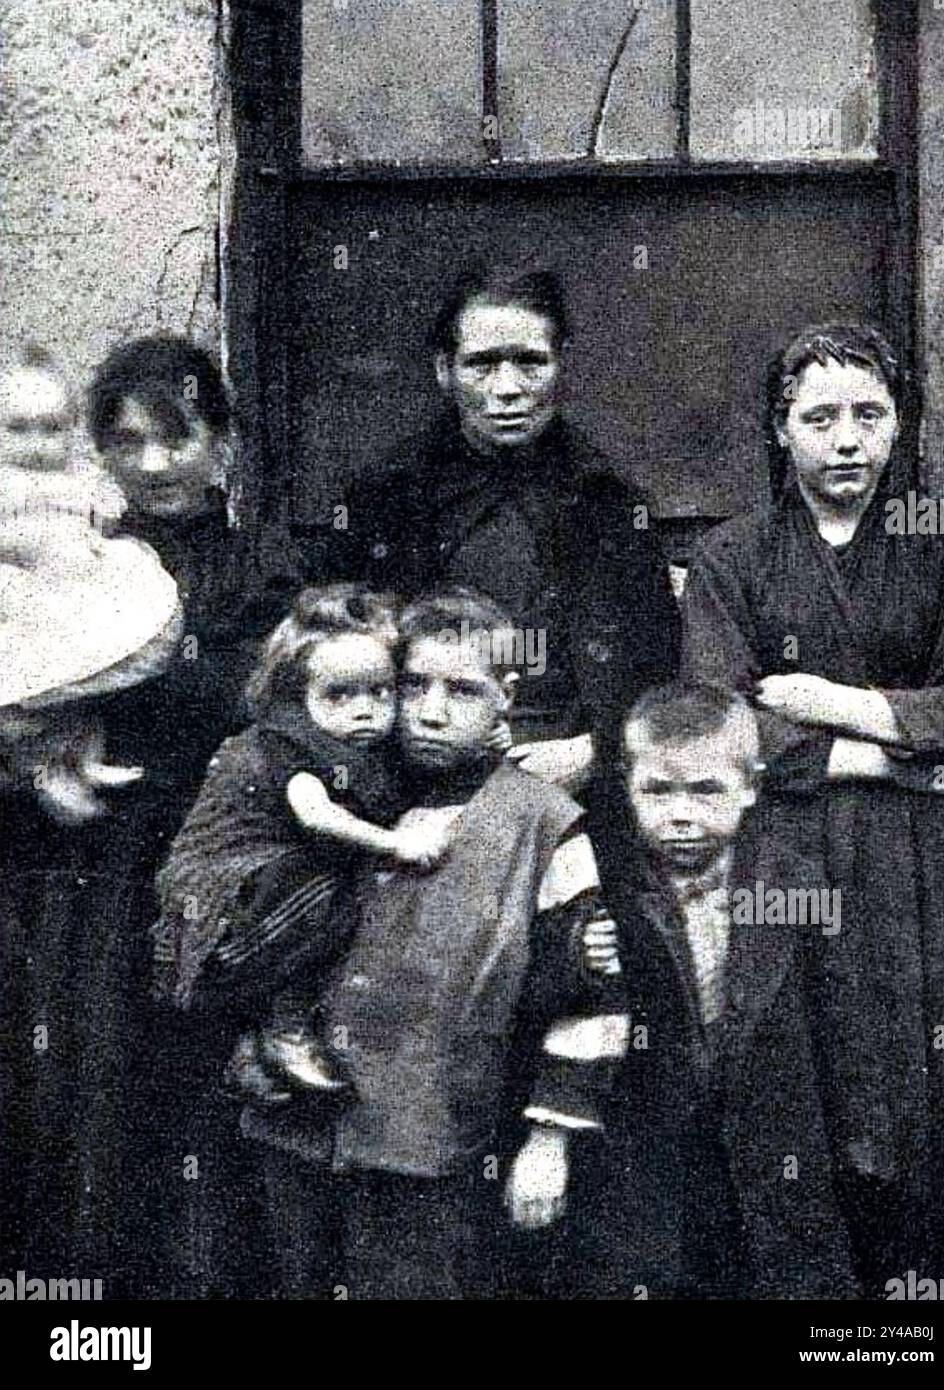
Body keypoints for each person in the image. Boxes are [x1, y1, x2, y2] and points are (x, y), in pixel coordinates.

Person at [164, 588, 627, 1299]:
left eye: (464, 690)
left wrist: (552, 1140)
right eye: (414, 685)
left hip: (429, 1146)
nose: (433, 710)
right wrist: (252, 1038)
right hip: (292, 1131)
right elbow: (246, 936)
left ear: (506, 698)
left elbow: (593, 993)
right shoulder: (334, 793)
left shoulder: (543, 822)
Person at [679, 323, 944, 1294]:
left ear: (899, 424)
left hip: (914, 860)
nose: (846, 439)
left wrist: (832, 702)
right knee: (786, 1073)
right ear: (780, 432)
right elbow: (722, 714)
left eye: (869, 414)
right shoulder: (733, 557)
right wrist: (879, 753)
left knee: (921, 1087)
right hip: (787, 853)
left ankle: (911, 1317)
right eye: (819, 418)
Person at [0, 334, 278, 1297]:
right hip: (82, 885)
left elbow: (260, 717)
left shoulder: (265, 578)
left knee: (194, 1119)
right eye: (126, 443)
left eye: (179, 438)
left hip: (209, 877)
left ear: (225, 444)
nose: (155, 464)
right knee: (76, 1107)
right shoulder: (71, 566)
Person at [320, 264, 679, 869]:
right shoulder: (385, 500)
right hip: (414, 788)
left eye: (529, 363)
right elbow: (335, 652)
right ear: (444, 371)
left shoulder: (612, 505)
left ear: (560, 365)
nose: (507, 388)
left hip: (574, 784)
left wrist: (598, 751)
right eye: (482, 364)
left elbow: (658, 666)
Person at [569, 685, 858, 1299]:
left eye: (706, 791)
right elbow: (552, 998)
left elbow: (842, 1011)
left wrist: (857, 1136)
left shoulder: (796, 884)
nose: (681, 814)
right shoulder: (603, 888)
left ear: (751, 785)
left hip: (775, 1143)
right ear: (626, 785)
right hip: (647, 1152)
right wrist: (578, 955)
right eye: (657, 790)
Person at [155, 582, 481, 1101]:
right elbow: (316, 814)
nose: (365, 711)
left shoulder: (352, 747)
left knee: (345, 898)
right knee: (339, 889)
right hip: (227, 896)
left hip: (266, 892)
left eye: (381, 692)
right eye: (340, 695)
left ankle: (259, 1044)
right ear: (296, 696)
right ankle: (283, 1026)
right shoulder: (288, 745)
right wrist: (395, 843)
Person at [0, 342, 182, 820]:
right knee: (25, 703)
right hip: (20, 609)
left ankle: (84, 761)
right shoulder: (4, 484)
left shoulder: (81, 479)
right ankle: (43, 772)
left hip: (71, 607)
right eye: (19, 429)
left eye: (52, 429)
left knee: (82, 697)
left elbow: (106, 514)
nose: (37, 444)